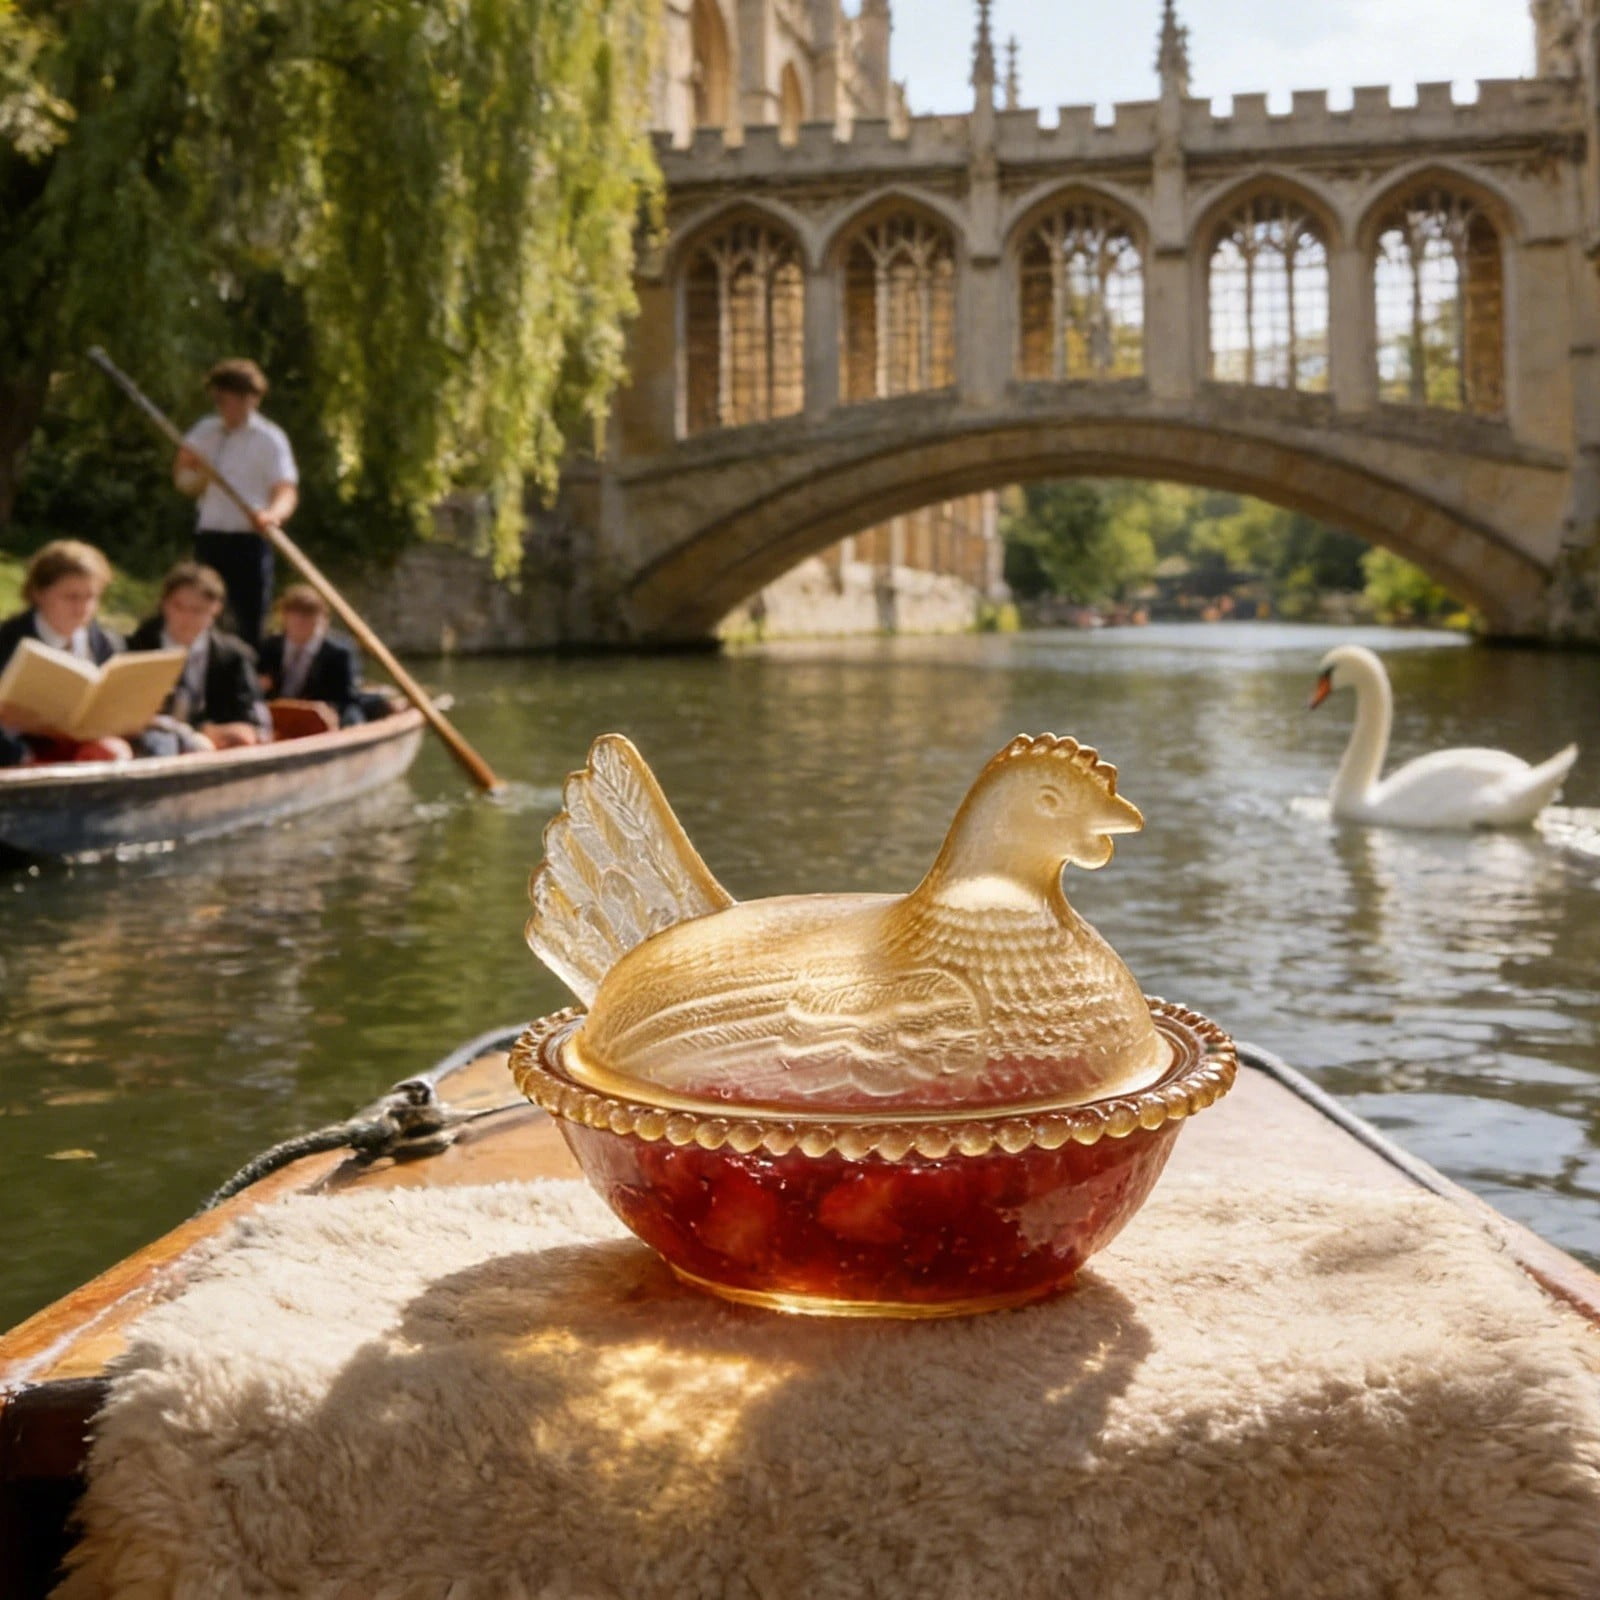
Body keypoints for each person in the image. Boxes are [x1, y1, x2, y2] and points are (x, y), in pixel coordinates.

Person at [172, 357, 298, 650]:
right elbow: (182, 476)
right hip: (210, 538)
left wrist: (272, 516)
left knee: (247, 621)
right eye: (219, 401)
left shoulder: (270, 439)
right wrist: (189, 465)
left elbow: (286, 490)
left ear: (251, 399)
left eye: (230, 401)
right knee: (201, 614)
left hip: (249, 540)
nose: (224, 408)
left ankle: (245, 684)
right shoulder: (206, 430)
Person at [0, 540, 131, 766]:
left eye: (90, 597)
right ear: (39, 593)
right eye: (71, 597)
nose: (82, 609)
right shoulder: (7, 642)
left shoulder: (105, 643)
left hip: (87, 752)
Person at [128, 563, 272, 751]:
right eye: (178, 607)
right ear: (164, 604)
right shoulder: (138, 647)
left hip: (213, 744)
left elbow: (256, 720)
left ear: (215, 609)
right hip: (152, 736)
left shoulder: (232, 656)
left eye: (198, 610)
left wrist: (231, 731)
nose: (186, 617)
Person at [258, 585, 366, 726]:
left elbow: (347, 698)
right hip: (275, 715)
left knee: (353, 716)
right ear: (284, 616)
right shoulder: (269, 646)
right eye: (294, 612)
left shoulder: (338, 654)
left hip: (318, 718)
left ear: (322, 618)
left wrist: (329, 712)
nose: (300, 619)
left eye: (309, 613)